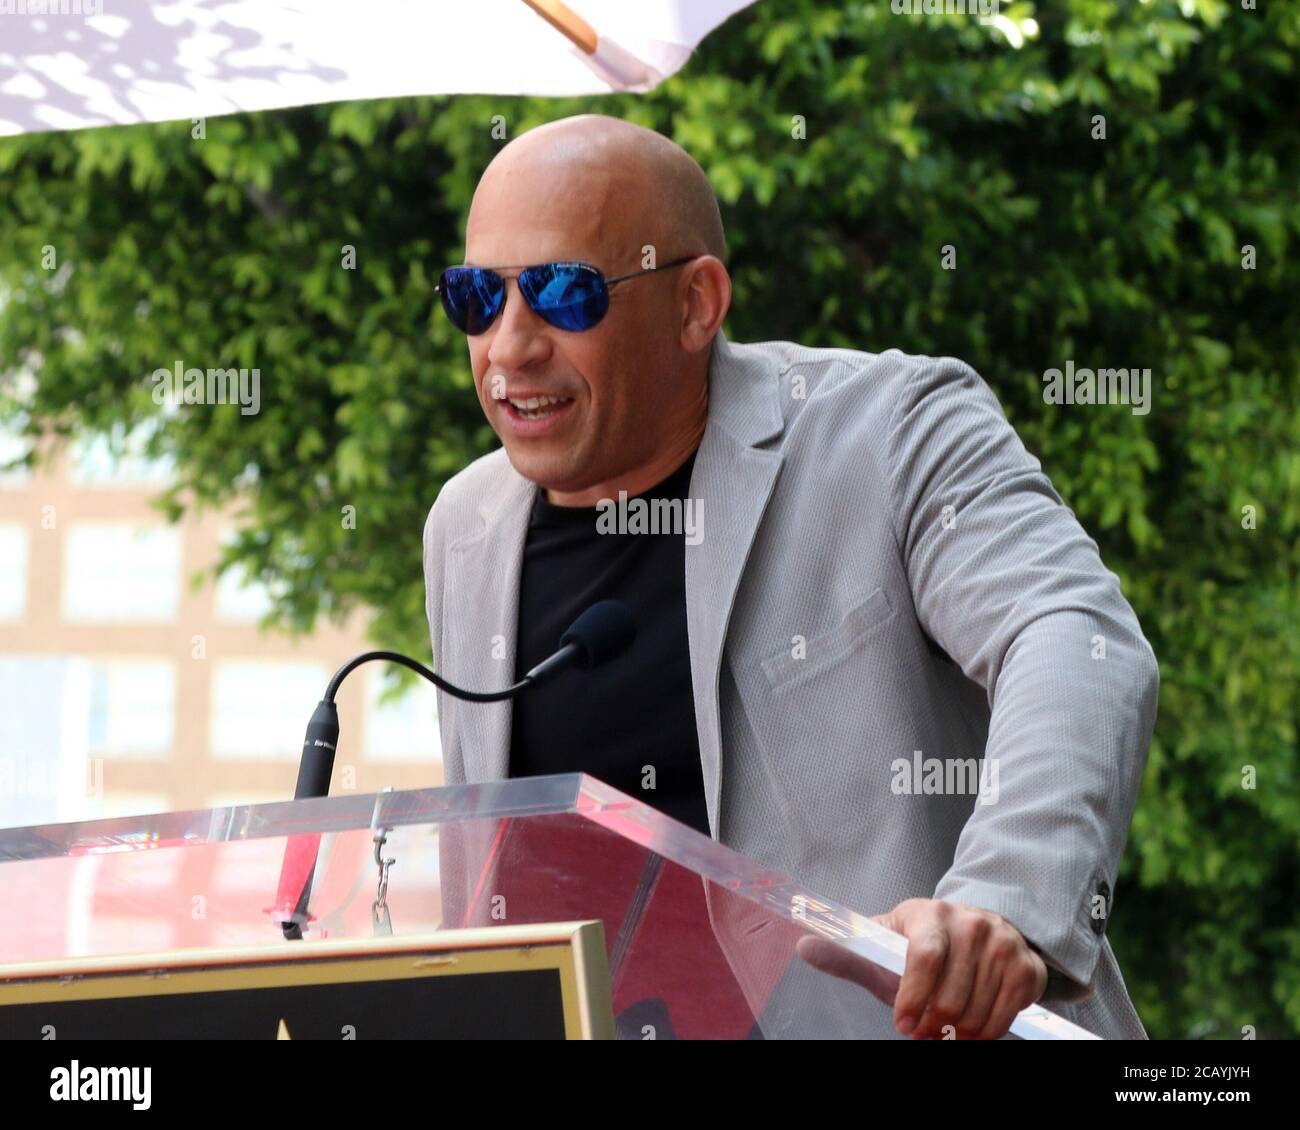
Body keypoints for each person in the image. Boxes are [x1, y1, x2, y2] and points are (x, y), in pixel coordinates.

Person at [423, 114, 1158, 1040]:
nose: (510, 346)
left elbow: (1068, 632)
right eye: (475, 298)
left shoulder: (889, 428)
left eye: (566, 296)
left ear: (697, 303)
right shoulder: (467, 524)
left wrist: (1004, 902)